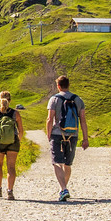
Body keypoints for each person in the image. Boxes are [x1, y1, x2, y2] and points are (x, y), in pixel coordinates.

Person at [44, 75, 88, 203]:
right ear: (69, 85)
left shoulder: (54, 99)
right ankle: (64, 188)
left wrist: (49, 134)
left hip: (57, 134)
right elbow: (83, 120)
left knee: (57, 162)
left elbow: (49, 118)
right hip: (73, 134)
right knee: (68, 163)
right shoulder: (78, 100)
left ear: (58, 86)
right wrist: (85, 138)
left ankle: (63, 188)